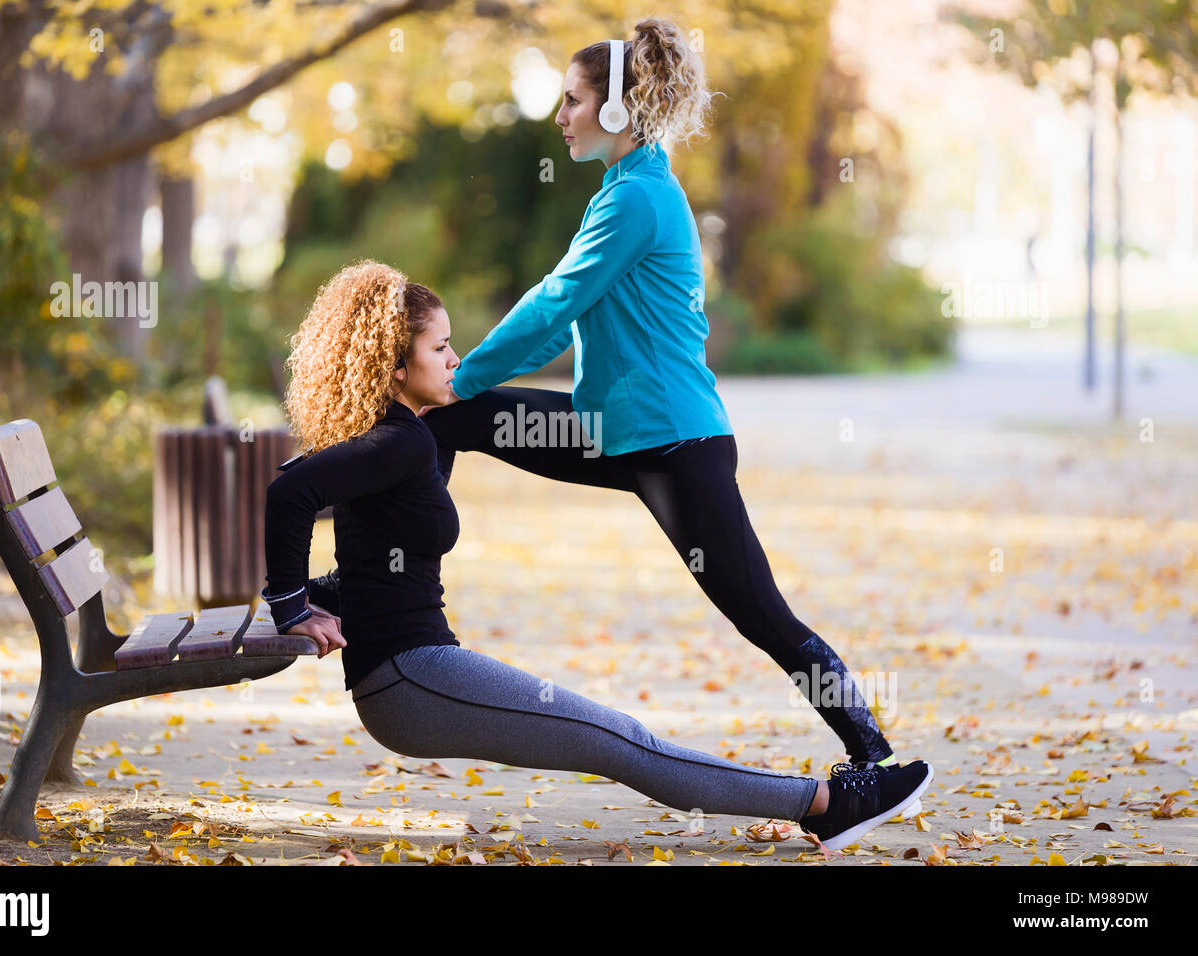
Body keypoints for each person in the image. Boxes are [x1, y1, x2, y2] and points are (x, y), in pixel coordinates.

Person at [311, 20, 916, 803]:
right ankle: (371, 582)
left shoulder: (638, 199)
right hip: (606, 432)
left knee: (760, 612)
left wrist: (466, 374)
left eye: (573, 100)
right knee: (442, 419)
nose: (561, 115)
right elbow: (561, 308)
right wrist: (459, 394)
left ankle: (874, 755)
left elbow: (556, 306)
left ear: (618, 110)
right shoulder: (627, 187)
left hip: (674, 445)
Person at [260, 259, 933, 853]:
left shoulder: (400, 434)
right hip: (411, 680)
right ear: (396, 366)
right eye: (442, 348)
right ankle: (831, 804)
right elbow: (291, 492)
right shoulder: (399, 443)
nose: (457, 359)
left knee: (619, 736)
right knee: (620, 741)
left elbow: (362, 526)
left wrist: (329, 593)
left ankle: (843, 783)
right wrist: (292, 606)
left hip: (413, 676)